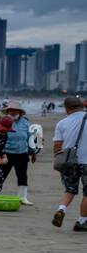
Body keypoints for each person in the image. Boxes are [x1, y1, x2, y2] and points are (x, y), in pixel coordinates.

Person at [52, 96, 87, 231]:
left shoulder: (62, 123)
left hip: (69, 161)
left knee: (69, 190)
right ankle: (82, 221)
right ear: (81, 106)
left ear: (67, 109)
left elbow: (57, 146)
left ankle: (62, 209)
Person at [0, 102, 34, 206]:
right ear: (8, 112)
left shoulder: (26, 123)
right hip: (6, 153)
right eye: (11, 110)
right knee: (0, 175)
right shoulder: (3, 121)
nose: (13, 112)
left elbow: (30, 137)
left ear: (20, 112)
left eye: (16, 111)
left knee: (22, 176)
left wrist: (32, 152)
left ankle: (22, 197)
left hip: (22, 153)